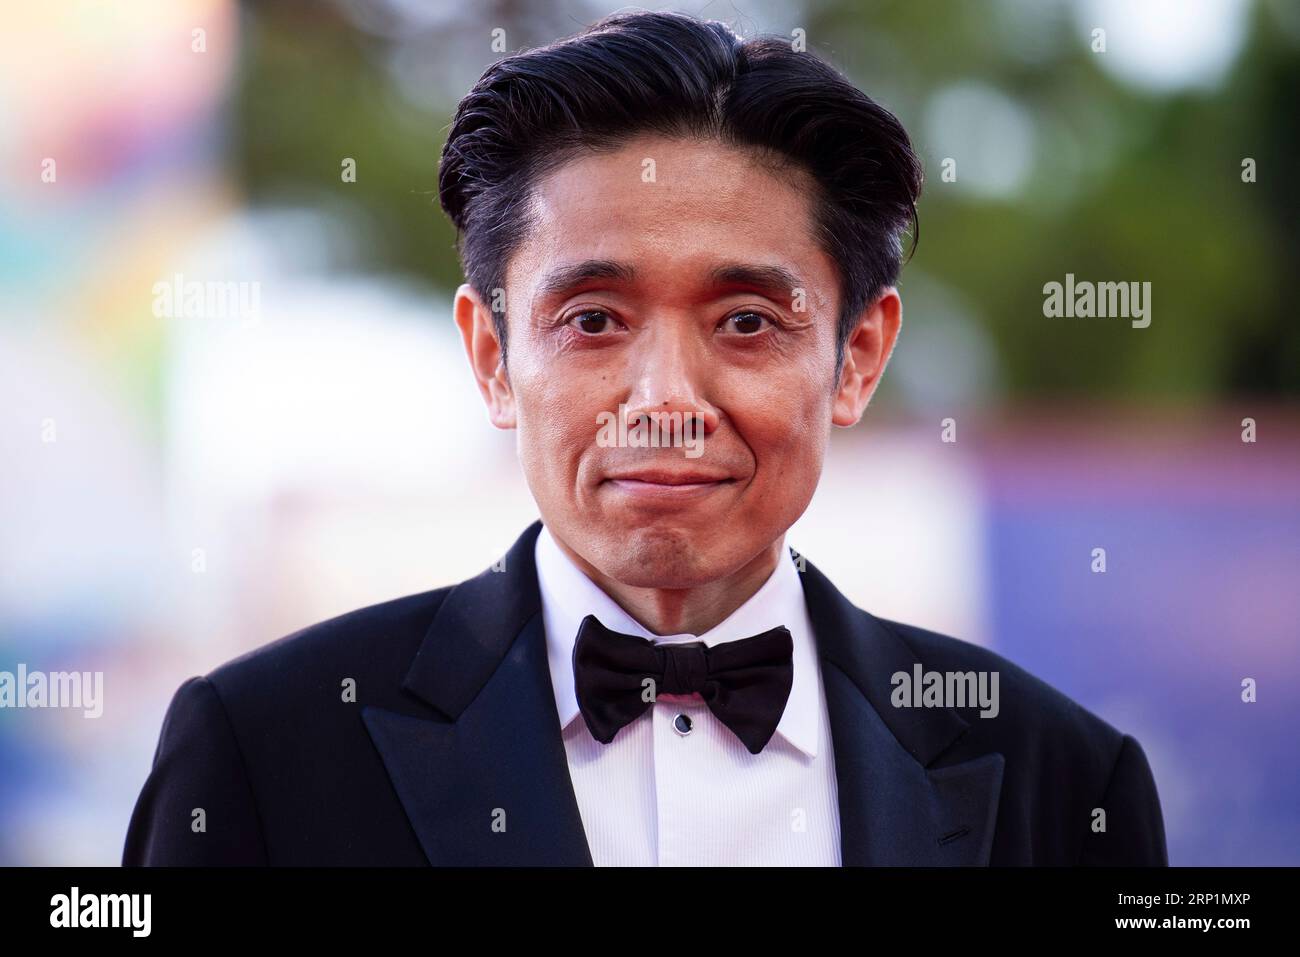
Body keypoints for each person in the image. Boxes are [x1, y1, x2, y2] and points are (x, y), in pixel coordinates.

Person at [123, 10, 1167, 866]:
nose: (665, 397)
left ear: (855, 357)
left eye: (746, 322)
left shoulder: (1061, 783)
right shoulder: (265, 752)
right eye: (592, 321)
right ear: (491, 357)